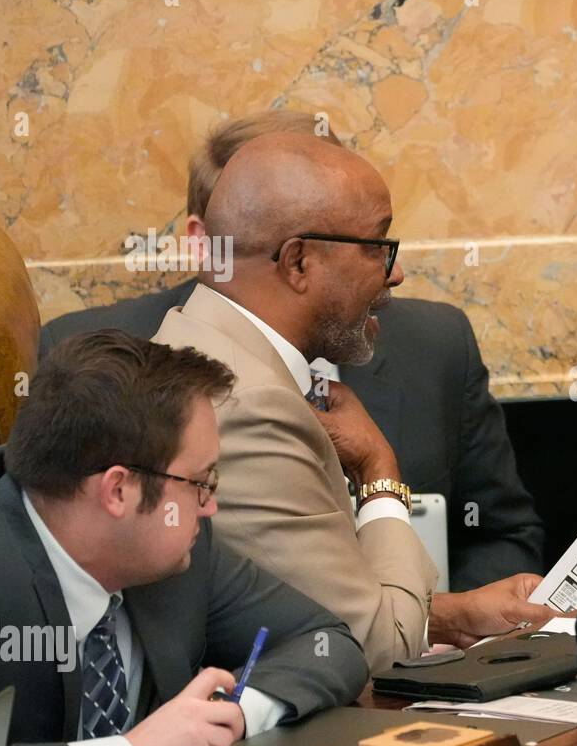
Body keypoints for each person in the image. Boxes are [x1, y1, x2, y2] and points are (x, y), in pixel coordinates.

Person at [39, 110, 544, 589]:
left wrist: (458, 648)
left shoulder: (437, 345)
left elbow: (500, 534)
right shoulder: (102, 363)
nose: (393, 271)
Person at [150, 132, 551, 674]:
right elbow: (373, 651)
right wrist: (380, 473)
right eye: (377, 246)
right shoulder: (247, 406)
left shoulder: (200, 345)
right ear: (298, 263)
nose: (396, 272)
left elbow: (310, 602)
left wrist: (451, 617)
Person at [0, 331, 368, 746]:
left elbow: (326, 642)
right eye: (200, 481)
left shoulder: (179, 554)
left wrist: (228, 715)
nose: (210, 506)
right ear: (118, 491)